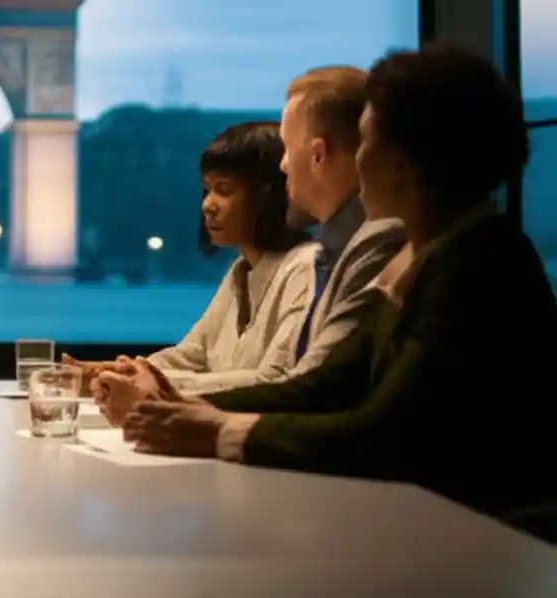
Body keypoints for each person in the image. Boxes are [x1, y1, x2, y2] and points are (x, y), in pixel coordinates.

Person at [113, 43, 557, 531]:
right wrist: (184, 409)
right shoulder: (441, 253)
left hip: (486, 544)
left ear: (403, 163)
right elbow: (323, 386)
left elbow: (385, 434)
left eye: (365, 141)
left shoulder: (475, 267)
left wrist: (218, 432)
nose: (356, 159)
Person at [86, 67, 406, 402]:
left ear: (318, 154)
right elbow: (194, 355)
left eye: (286, 149)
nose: (283, 166)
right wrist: (122, 374)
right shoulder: (329, 252)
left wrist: (170, 401)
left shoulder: (363, 248)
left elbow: (307, 387)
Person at [71, 123, 316, 392]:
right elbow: (190, 356)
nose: (207, 205)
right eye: (207, 190)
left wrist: (146, 382)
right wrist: (108, 372)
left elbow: (276, 380)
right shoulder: (242, 270)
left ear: (266, 196)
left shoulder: (304, 268)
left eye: (223, 190)